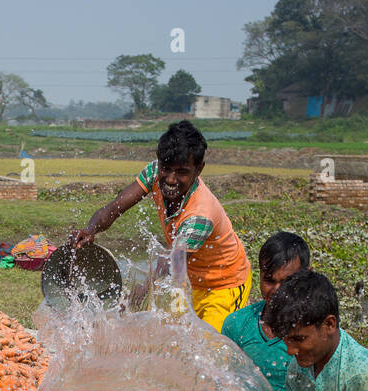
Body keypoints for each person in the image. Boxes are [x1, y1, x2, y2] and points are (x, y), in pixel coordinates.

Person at [72, 120, 251, 333]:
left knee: (212, 347)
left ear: (198, 169)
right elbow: (113, 209)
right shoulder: (155, 172)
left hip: (224, 285)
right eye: (166, 168)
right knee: (174, 343)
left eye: (182, 172)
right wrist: (90, 230)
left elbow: (170, 264)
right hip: (190, 280)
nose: (171, 180)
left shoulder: (200, 216)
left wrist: (136, 296)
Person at [220, 231, 309, 391]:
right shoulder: (237, 325)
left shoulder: (315, 332)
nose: (277, 291)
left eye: (287, 282)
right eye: (269, 280)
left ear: (306, 277)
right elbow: (225, 387)